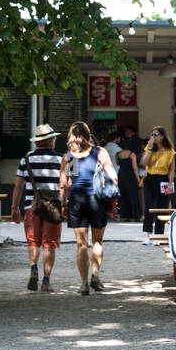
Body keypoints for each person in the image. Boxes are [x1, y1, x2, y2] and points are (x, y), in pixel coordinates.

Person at [59, 121, 117, 296]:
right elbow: (114, 177)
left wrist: (63, 204)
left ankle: (83, 284)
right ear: (88, 134)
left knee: (81, 245)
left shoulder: (70, 156)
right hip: (96, 200)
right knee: (97, 242)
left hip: (77, 200)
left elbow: (64, 185)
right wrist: (112, 199)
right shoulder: (99, 152)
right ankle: (95, 275)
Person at [12, 124, 63, 292]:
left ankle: (34, 268)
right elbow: (66, 185)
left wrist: (14, 208)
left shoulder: (25, 159)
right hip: (53, 206)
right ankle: (46, 282)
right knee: (49, 244)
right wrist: (66, 205)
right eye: (54, 138)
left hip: (31, 205)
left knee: (33, 241)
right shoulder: (62, 159)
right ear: (50, 141)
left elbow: (18, 187)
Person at [140, 126, 175, 241]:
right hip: (150, 178)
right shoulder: (149, 148)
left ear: (162, 136)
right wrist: (150, 148)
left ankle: (159, 235)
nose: (153, 137)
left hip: (163, 179)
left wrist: (170, 184)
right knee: (149, 207)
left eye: (155, 135)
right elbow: (144, 163)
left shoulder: (169, 151)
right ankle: (149, 235)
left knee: (162, 207)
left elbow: (171, 169)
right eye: (152, 134)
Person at [114, 125, 143, 221]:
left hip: (121, 175)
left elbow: (118, 163)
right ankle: (134, 215)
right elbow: (135, 168)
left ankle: (124, 215)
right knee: (133, 195)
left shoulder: (118, 154)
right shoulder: (132, 154)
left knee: (123, 195)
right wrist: (138, 179)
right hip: (130, 176)